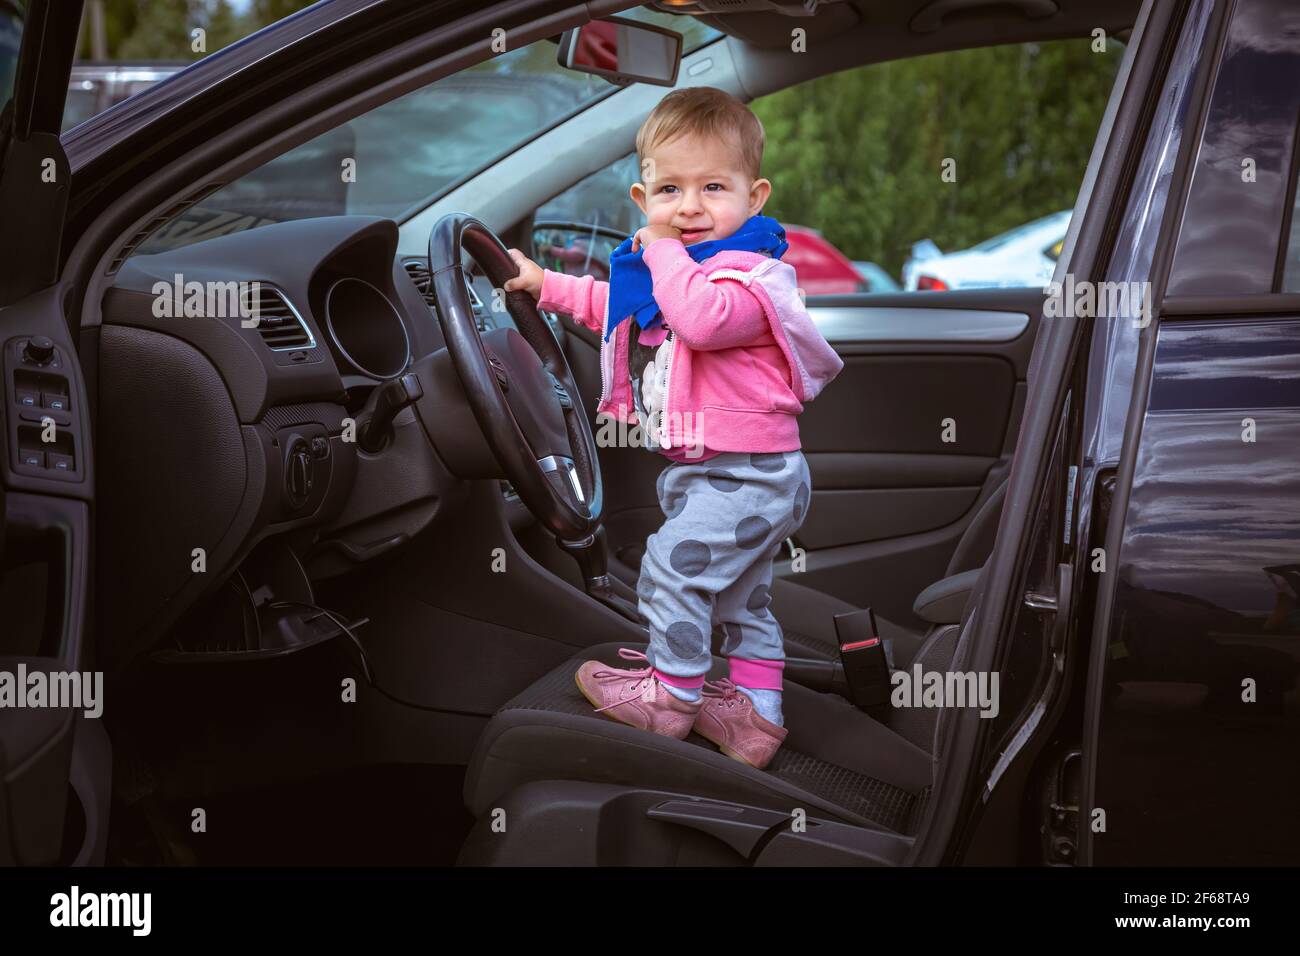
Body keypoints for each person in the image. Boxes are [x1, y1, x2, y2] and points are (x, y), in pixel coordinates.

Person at [505, 86, 843, 769]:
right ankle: (754, 717)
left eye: (713, 186)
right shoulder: (685, 272)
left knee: (669, 575)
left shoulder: (752, 279)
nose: (688, 207)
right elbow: (619, 310)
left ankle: (672, 697)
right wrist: (544, 285)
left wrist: (659, 249)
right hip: (727, 473)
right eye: (669, 190)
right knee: (743, 600)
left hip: (749, 475)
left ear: (756, 195)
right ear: (641, 198)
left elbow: (698, 319)